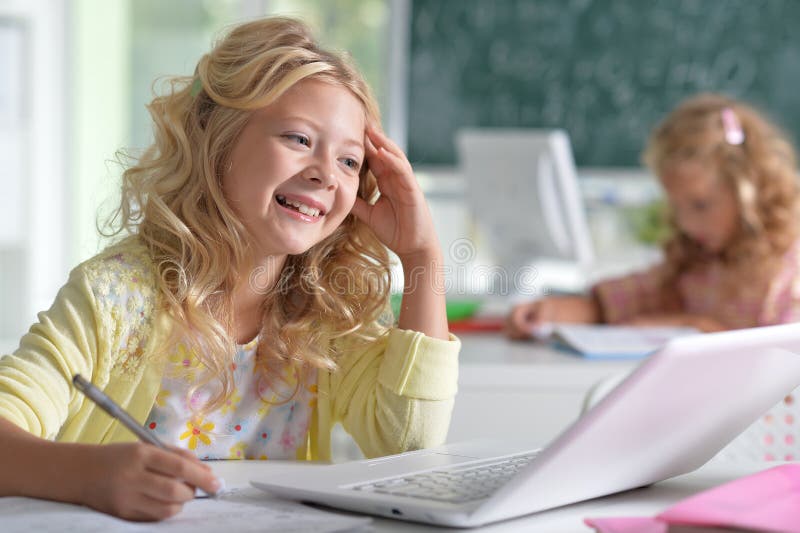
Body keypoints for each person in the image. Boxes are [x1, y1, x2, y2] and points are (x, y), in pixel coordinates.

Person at [0, 17, 458, 521]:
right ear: (219, 142)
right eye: (299, 139)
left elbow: (408, 444)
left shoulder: (326, 311)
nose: (326, 174)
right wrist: (90, 476)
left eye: (350, 162)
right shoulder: (116, 297)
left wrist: (422, 256)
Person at [507, 93, 800, 339]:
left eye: (700, 205)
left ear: (749, 190)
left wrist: (696, 327)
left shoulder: (788, 272)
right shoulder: (697, 260)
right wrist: (558, 311)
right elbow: (632, 297)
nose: (687, 223)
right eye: (677, 206)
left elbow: (782, 363)